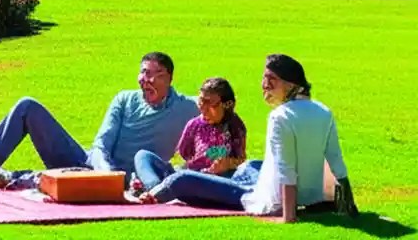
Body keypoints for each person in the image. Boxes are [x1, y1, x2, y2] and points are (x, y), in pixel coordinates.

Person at [137, 54, 360, 223]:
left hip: (265, 199)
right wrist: (349, 206)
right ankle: (159, 183)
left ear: (291, 85)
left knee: (182, 179)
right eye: (264, 78)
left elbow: (286, 169)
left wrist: (288, 216)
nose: (264, 85)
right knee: (251, 165)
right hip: (290, 193)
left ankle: (150, 193)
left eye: (272, 80)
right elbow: (336, 161)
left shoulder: (280, 116)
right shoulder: (323, 111)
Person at [0, 52, 197, 185]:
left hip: (133, 181)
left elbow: (217, 120)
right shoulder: (125, 99)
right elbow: (101, 145)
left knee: (40, 179)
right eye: (143, 73)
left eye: (153, 74)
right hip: (90, 165)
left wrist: (211, 161)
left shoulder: (186, 107)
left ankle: (10, 178)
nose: (145, 80)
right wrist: (106, 172)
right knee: (27, 106)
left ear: (168, 78)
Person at [133, 77, 247, 192]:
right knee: (142, 156)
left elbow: (241, 160)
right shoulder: (195, 125)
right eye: (201, 102)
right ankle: (155, 188)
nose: (204, 110)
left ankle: (159, 191)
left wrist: (227, 164)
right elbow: (180, 157)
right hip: (187, 175)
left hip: (211, 181)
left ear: (227, 105)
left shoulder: (234, 126)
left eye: (210, 104)